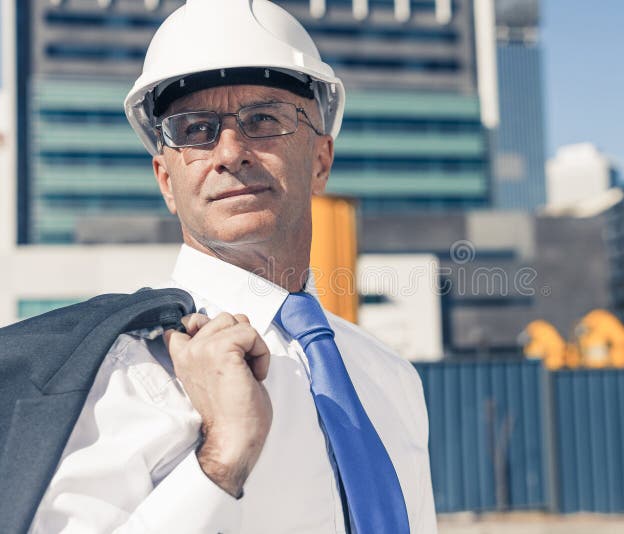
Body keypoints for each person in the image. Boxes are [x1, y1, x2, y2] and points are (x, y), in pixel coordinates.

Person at [28, 0, 436, 532]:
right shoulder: (115, 380)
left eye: (263, 120)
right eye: (195, 129)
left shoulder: (390, 377)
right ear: (166, 180)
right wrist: (219, 460)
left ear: (321, 160)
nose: (230, 151)